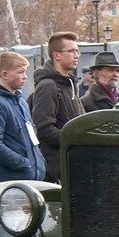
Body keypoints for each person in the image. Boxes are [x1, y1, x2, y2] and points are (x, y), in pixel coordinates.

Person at [0, 52, 46, 184]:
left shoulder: (21, 102)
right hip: (8, 181)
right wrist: (23, 163)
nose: (25, 76)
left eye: (25, 72)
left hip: (28, 179)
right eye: (20, 72)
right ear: (5, 74)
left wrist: (39, 162)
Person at [29, 31, 83, 183]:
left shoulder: (69, 83)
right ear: (56, 55)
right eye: (71, 51)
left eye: (77, 51)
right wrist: (78, 138)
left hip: (74, 164)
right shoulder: (48, 86)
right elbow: (44, 130)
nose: (76, 55)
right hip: (56, 171)